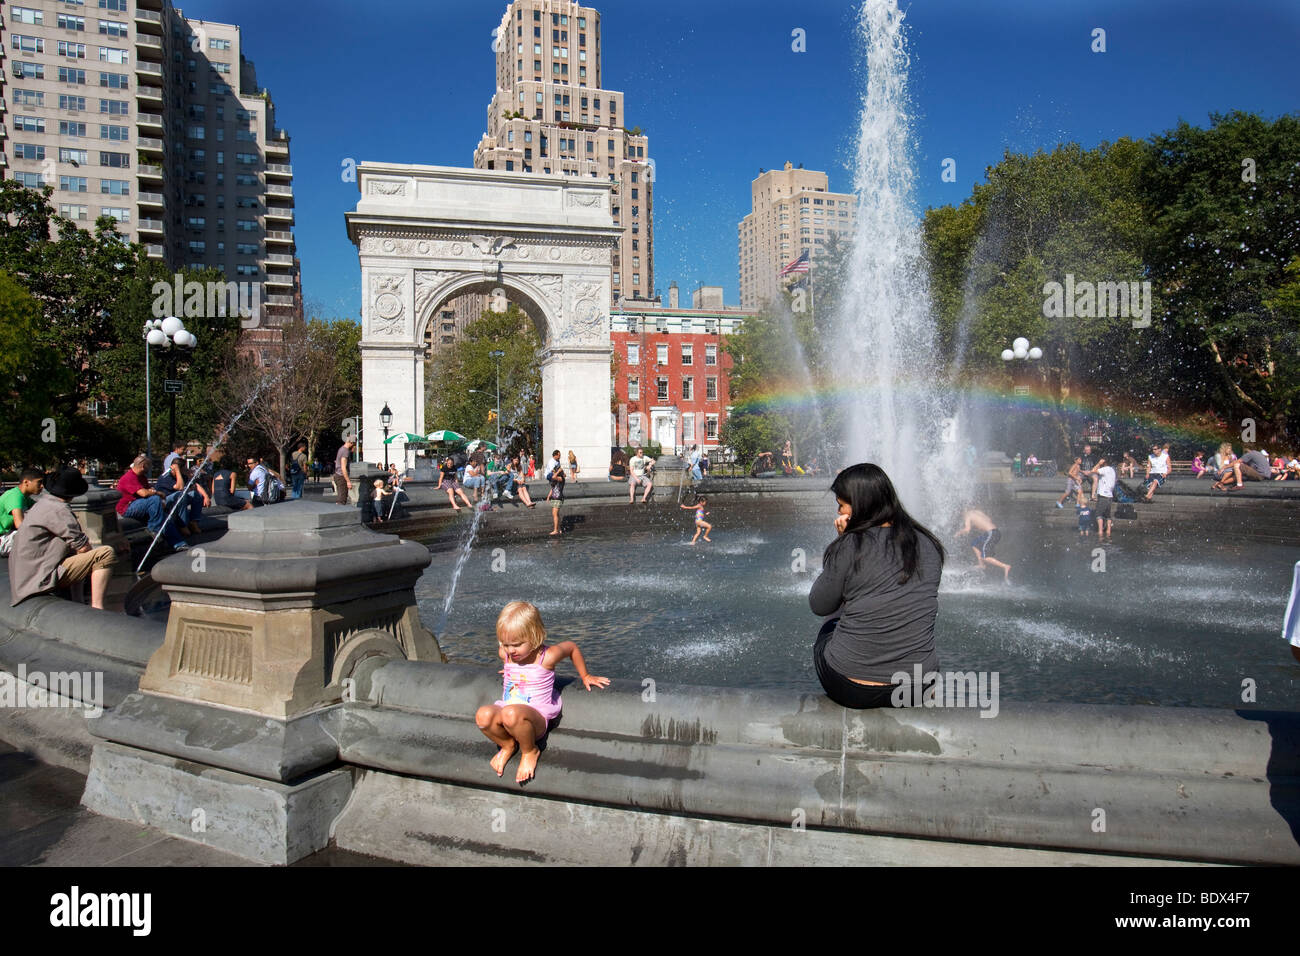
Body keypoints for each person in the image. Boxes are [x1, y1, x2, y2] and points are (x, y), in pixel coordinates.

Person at [808, 463, 946, 709]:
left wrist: (842, 542)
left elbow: (819, 604)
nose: (838, 512)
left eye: (841, 505)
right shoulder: (928, 543)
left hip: (851, 687)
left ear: (860, 505)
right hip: (917, 686)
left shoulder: (850, 545)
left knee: (831, 620)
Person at [474, 601, 609, 783]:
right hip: (508, 711)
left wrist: (585, 676)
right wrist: (510, 671)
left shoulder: (547, 657)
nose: (510, 651)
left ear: (535, 636)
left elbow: (571, 647)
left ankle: (530, 751)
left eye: (517, 644)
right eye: (505, 645)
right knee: (482, 715)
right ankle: (507, 745)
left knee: (511, 714)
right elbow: (512, 662)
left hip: (535, 718)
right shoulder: (505, 654)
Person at [10, 469, 119, 610]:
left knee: (77, 553)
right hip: (39, 579)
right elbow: (84, 547)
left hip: (26, 576)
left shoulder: (43, 504)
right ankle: (98, 608)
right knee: (105, 554)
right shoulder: (59, 510)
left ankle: (78, 601)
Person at [115, 455, 187, 550]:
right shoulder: (129, 477)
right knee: (155, 499)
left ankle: (178, 544)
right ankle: (154, 529)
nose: (150, 468)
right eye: (149, 466)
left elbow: (149, 490)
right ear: (143, 466)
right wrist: (158, 493)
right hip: (127, 507)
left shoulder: (142, 477)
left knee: (165, 518)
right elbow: (144, 493)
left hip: (140, 505)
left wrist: (154, 494)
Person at [959, 508, 1011, 582]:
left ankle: (1005, 566)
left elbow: (967, 529)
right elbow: (989, 519)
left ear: (962, 513)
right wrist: (981, 525)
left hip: (991, 533)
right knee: (975, 543)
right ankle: (981, 564)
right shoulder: (976, 511)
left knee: (985, 557)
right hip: (994, 532)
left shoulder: (967, 516)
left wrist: (957, 534)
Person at [0, 468, 44, 556]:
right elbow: (19, 524)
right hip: (2, 540)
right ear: (26, 482)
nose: (42, 486)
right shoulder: (15, 496)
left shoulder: (24, 497)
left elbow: (42, 510)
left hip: (7, 537)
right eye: (39, 482)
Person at [1094, 460, 1117, 539]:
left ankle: (1100, 532)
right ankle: (1108, 531)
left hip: (1103, 495)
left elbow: (1093, 471)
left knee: (1098, 514)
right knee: (1108, 515)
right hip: (1110, 496)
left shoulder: (1105, 469)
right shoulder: (1112, 470)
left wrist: (1098, 463)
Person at [546, 449, 566, 535]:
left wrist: (558, 471)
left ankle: (555, 530)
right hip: (554, 496)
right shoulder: (557, 479)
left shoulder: (561, 479)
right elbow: (553, 488)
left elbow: (554, 477)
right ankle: (559, 529)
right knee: (556, 514)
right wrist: (548, 496)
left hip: (558, 497)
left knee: (555, 514)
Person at [334, 439, 355, 505]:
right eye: (354, 444)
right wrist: (348, 481)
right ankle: (339, 514)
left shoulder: (341, 449)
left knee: (340, 498)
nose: (354, 446)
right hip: (341, 476)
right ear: (351, 442)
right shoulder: (345, 451)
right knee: (342, 499)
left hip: (337, 474)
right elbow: (343, 467)